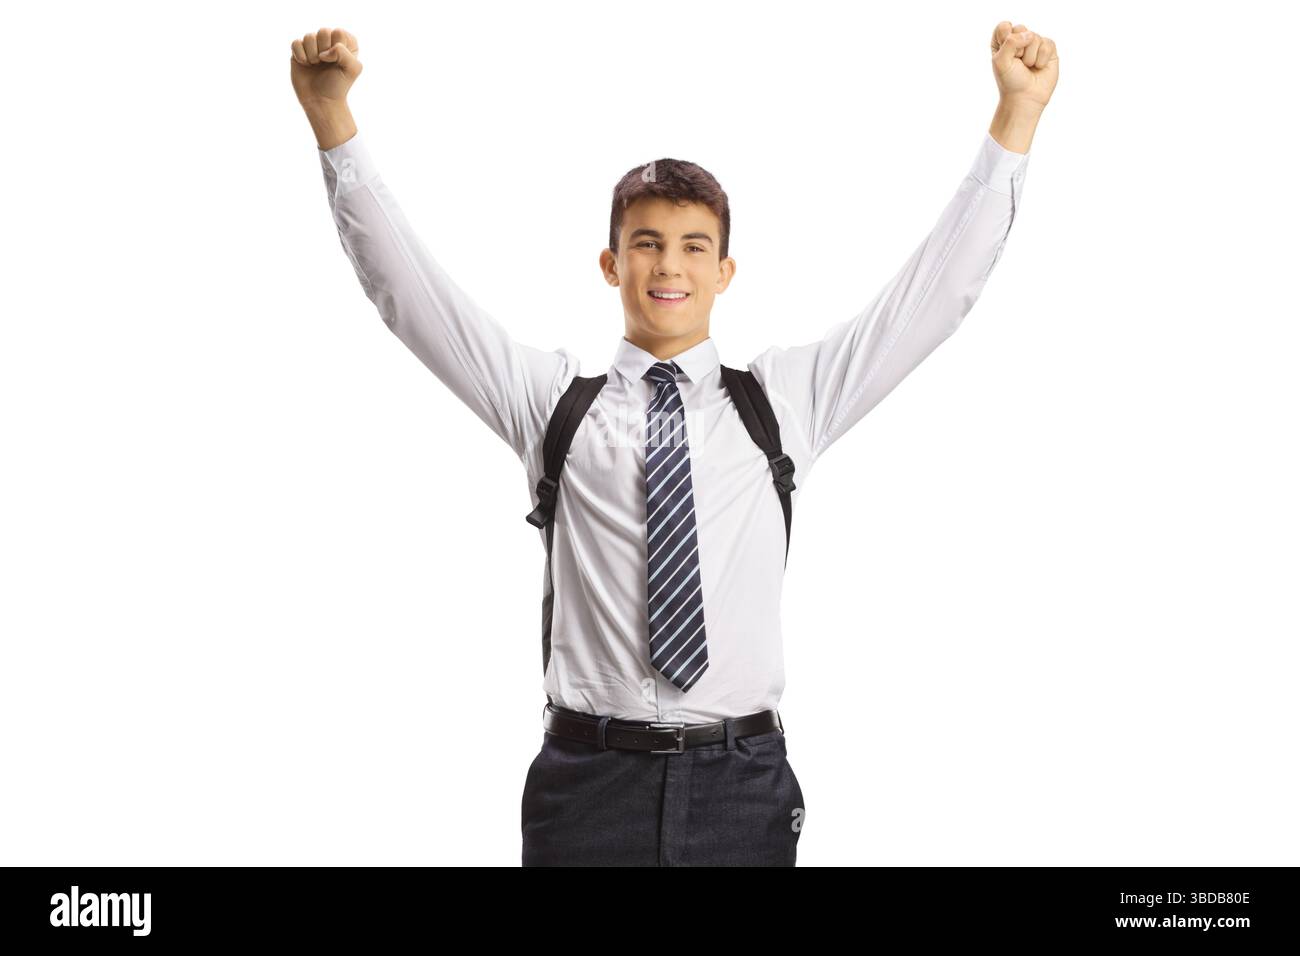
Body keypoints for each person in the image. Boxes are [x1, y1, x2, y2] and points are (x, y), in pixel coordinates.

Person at [289, 22, 1058, 866]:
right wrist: (333, 121)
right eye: (646, 243)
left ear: (724, 271)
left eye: (694, 246)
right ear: (611, 264)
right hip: (587, 784)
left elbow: (932, 297)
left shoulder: (783, 403)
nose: (670, 266)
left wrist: (1013, 119)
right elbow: (410, 294)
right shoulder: (552, 406)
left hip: (741, 781)